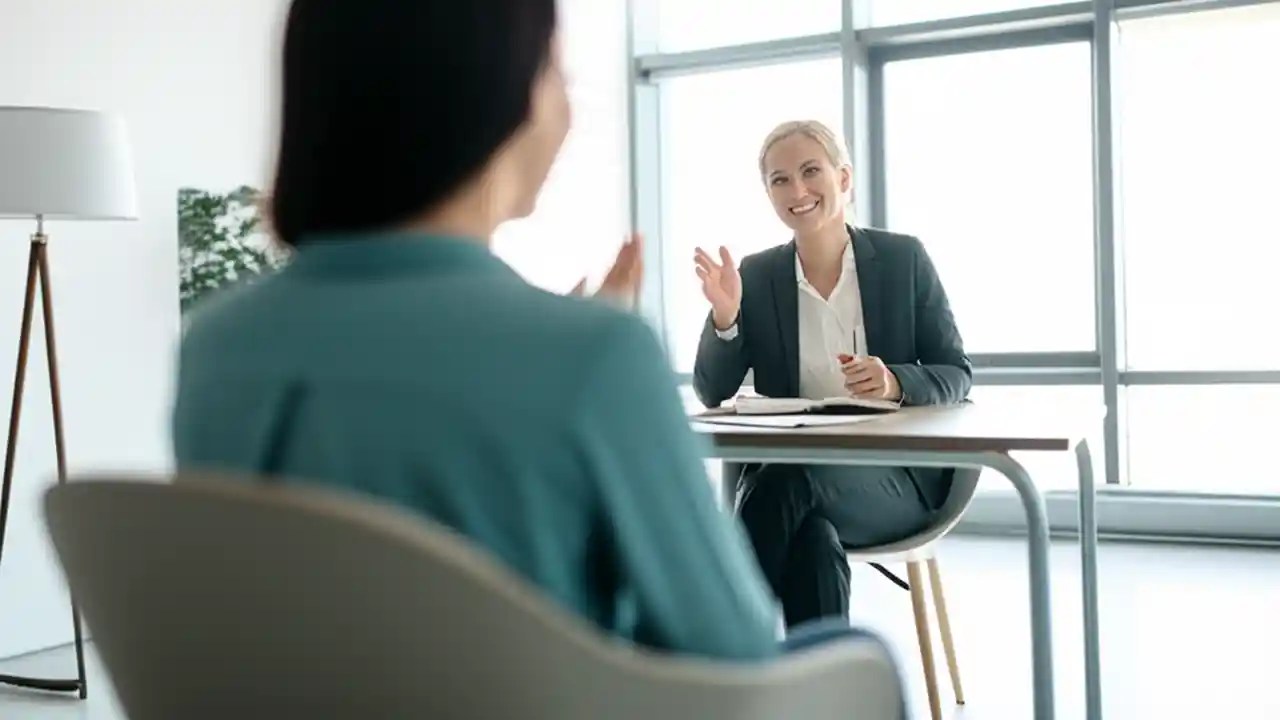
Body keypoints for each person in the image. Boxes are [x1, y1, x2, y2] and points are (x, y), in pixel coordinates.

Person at [173, 0, 901, 667]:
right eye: (558, 74)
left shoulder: (216, 346)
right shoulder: (591, 357)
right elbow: (728, 646)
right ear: (496, 101)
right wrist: (599, 364)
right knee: (866, 663)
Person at [692, 119, 972, 629]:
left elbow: (956, 373)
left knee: (786, 482)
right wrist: (726, 318)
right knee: (811, 540)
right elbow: (712, 391)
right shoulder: (757, 275)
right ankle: (819, 690)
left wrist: (894, 382)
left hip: (893, 482)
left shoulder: (902, 258)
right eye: (779, 180)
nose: (797, 190)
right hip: (793, 485)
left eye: (810, 171)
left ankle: (717, 633)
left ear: (843, 179)